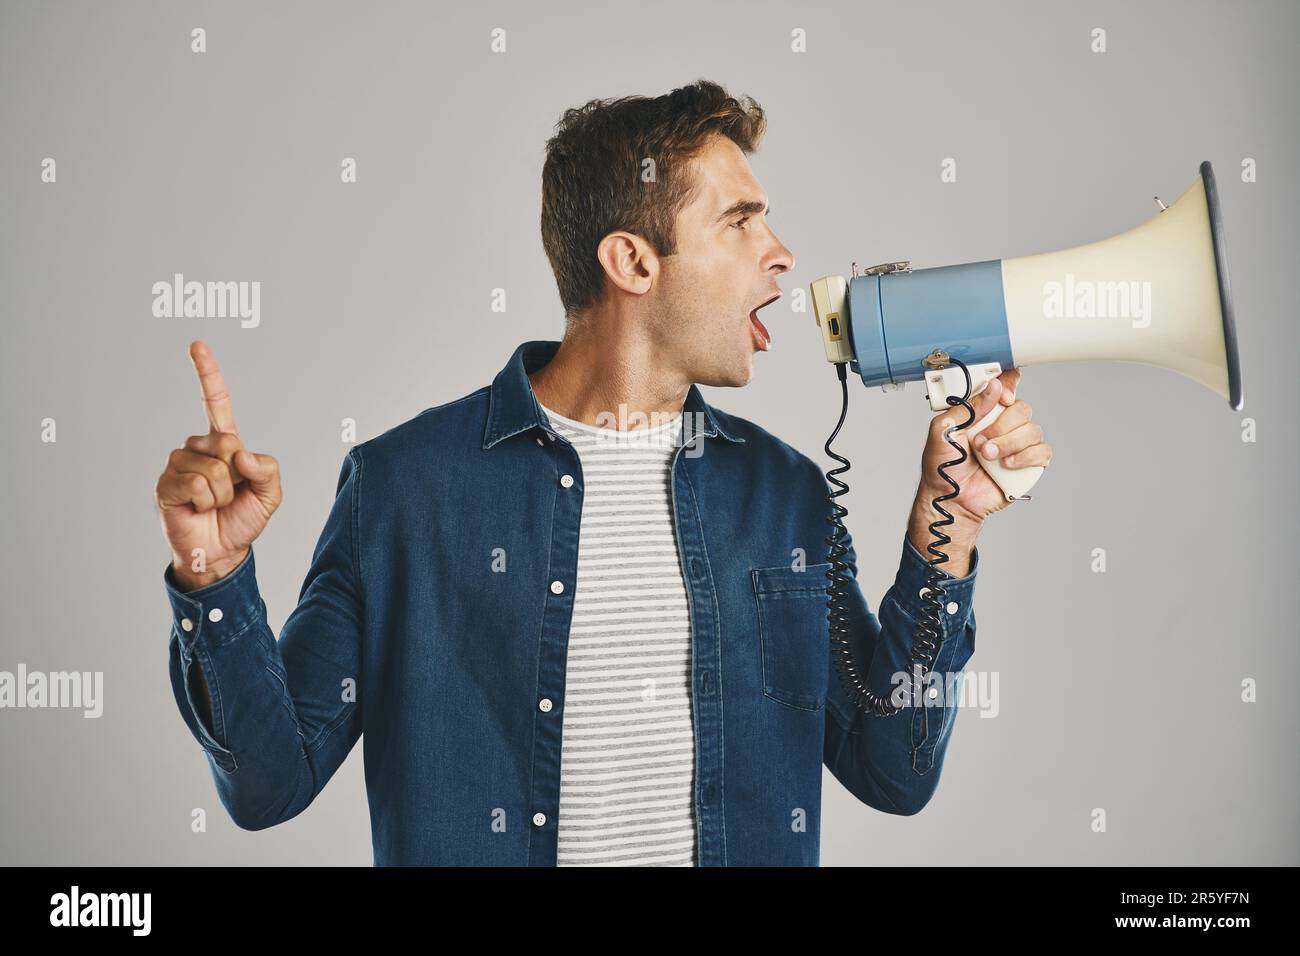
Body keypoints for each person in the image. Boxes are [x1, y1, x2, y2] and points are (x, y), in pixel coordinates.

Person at [154, 79, 1050, 866]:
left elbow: (893, 768)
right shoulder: (401, 489)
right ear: (631, 261)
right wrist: (214, 576)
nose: (780, 253)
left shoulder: (786, 499)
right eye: (740, 222)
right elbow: (269, 786)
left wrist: (951, 528)